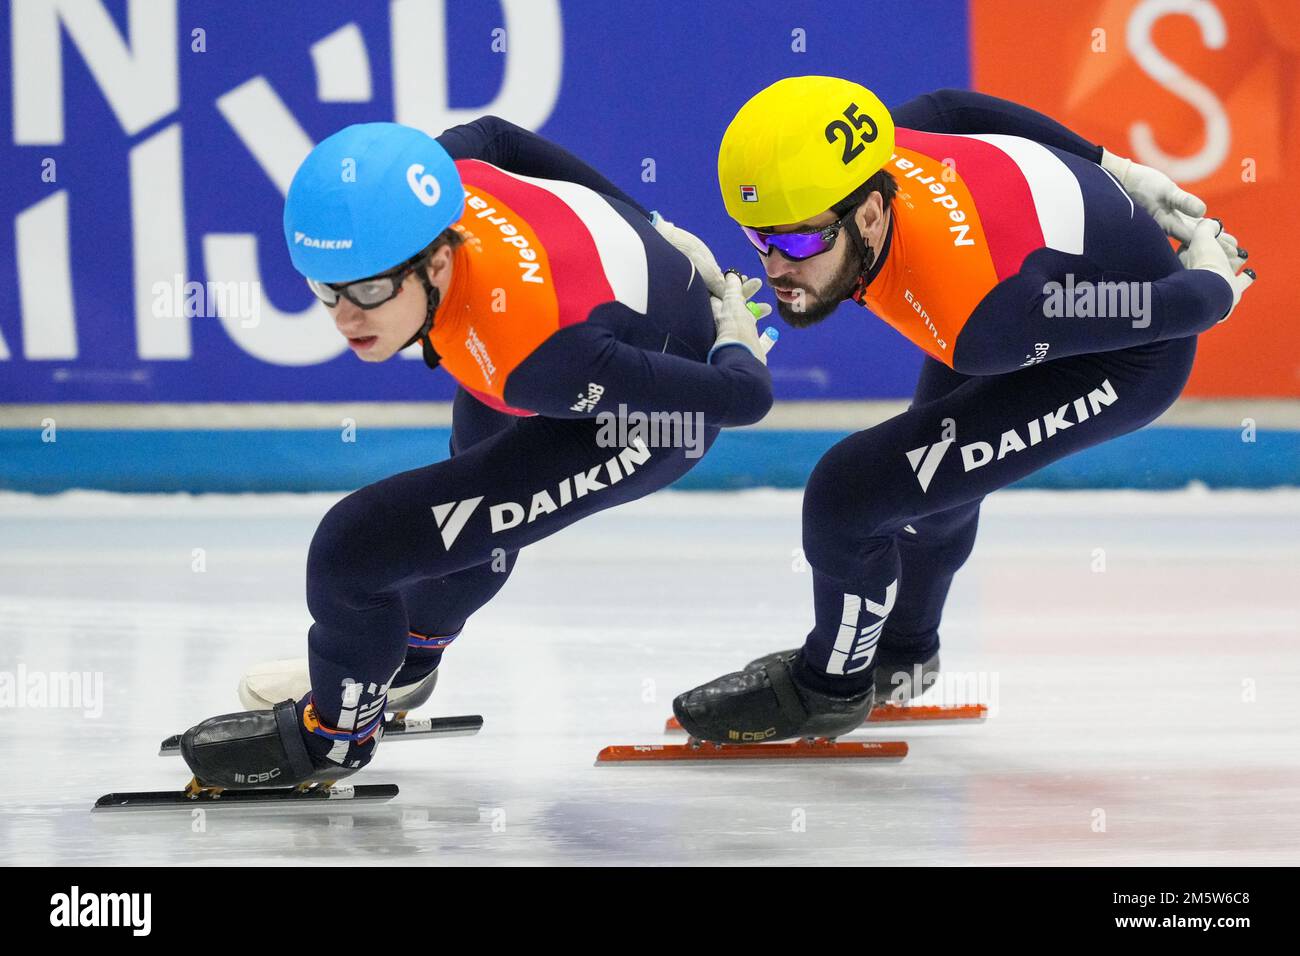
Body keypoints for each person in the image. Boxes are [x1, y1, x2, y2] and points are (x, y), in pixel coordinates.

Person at [180, 117, 774, 789]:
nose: (346, 318)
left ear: (436, 263)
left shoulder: (536, 358)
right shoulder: (433, 181)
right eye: (327, 288)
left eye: (370, 290)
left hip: (644, 416)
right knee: (465, 514)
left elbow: (741, 398)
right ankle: (400, 667)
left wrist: (733, 333)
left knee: (351, 553)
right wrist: (653, 221)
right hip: (560, 318)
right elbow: (494, 136)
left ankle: (333, 739)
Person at [673, 77, 1255, 743]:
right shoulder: (888, 145)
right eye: (758, 239)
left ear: (868, 215)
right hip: (1013, 277)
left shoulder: (981, 324)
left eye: (801, 243)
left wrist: (1211, 281)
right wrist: (1113, 166)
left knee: (848, 495)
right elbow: (955, 107)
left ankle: (826, 689)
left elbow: (1177, 314)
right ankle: (903, 656)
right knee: (930, 488)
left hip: (1123, 354)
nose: (777, 267)